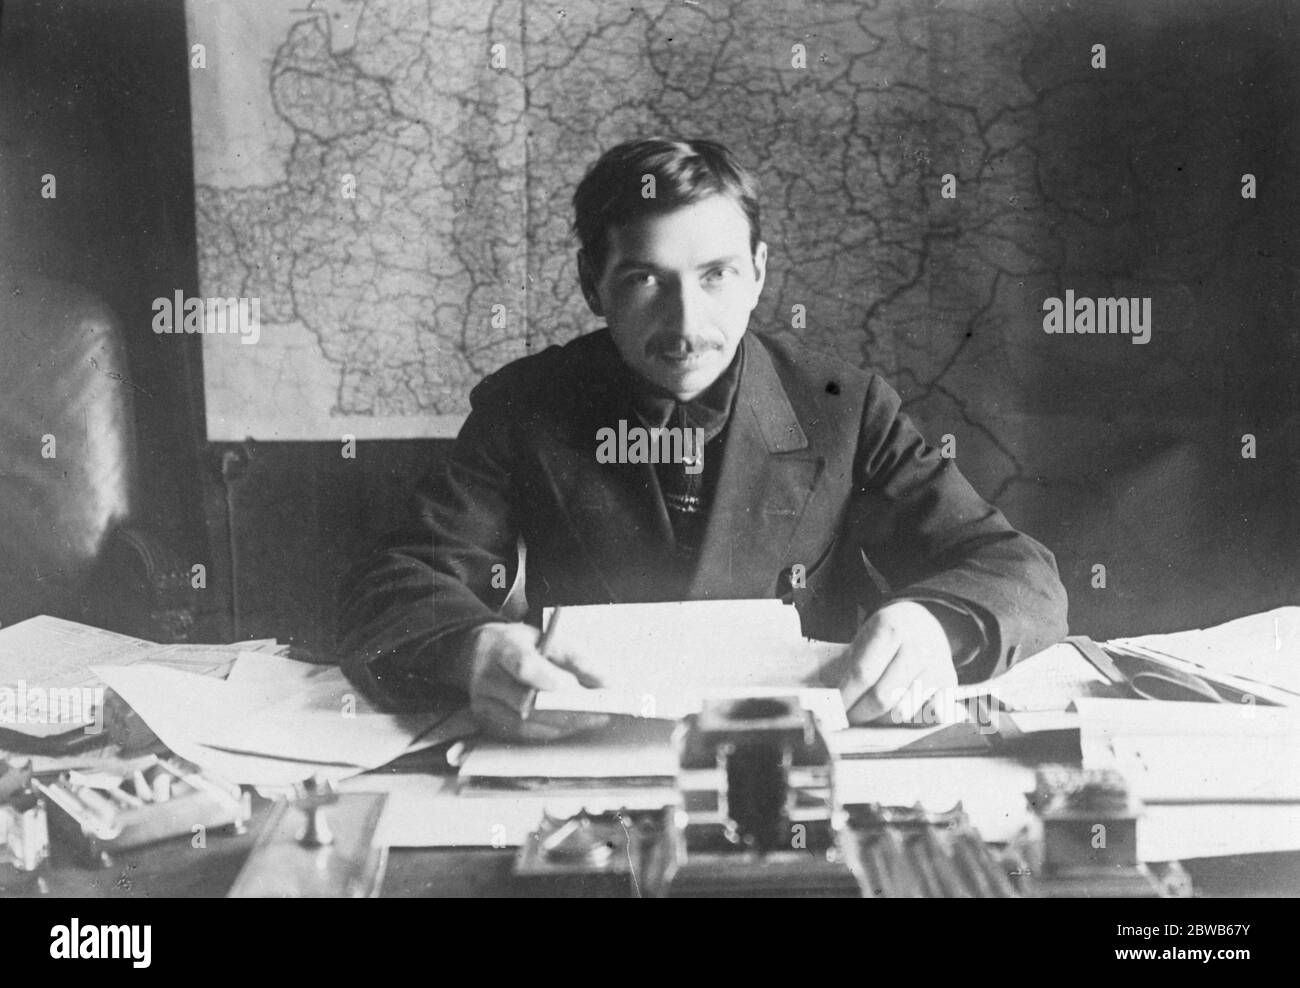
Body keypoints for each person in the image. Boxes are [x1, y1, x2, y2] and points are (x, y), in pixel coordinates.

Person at [337, 137, 1068, 741]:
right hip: (588, 749)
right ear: (594, 285)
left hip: (807, 751)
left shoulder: (843, 406)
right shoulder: (526, 406)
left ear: (757, 274)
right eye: (646, 280)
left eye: (715, 275)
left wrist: (934, 626)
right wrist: (475, 649)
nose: (686, 325)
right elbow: (397, 581)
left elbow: (1015, 568)